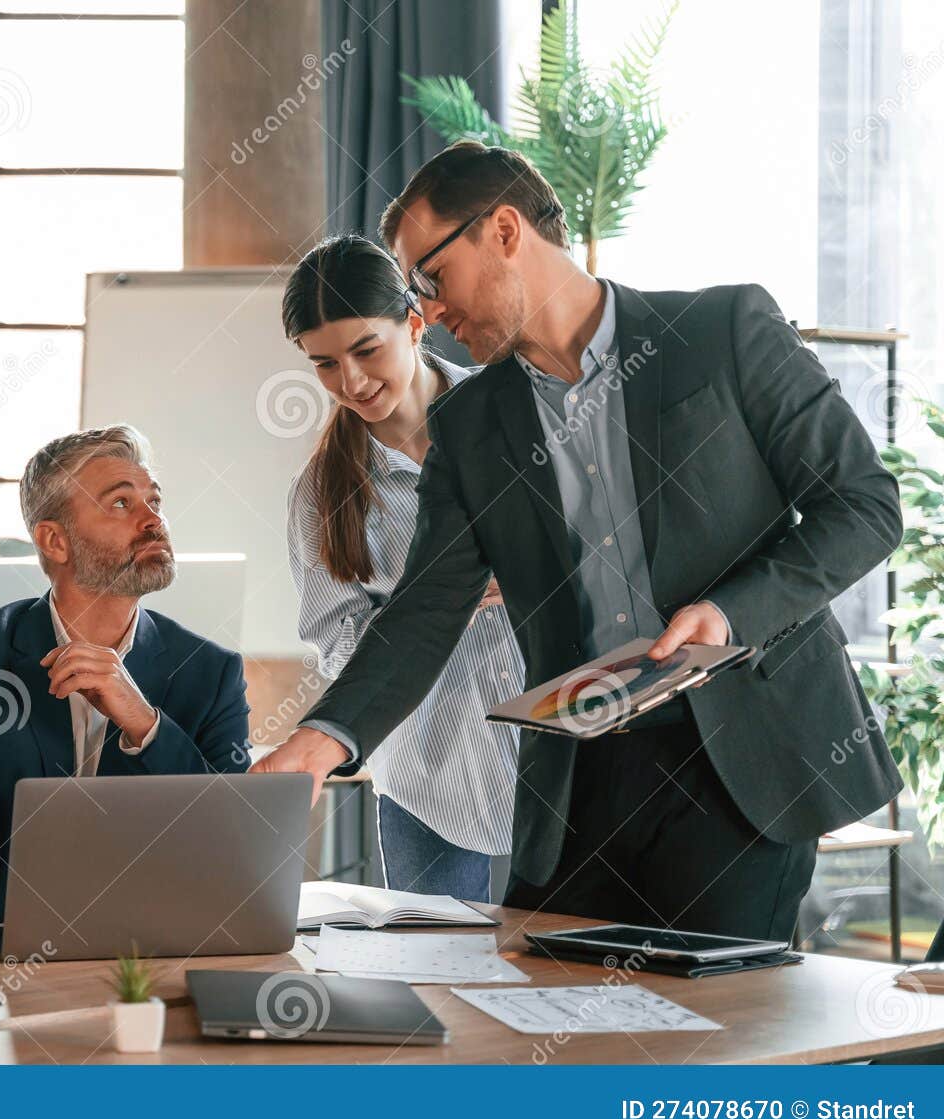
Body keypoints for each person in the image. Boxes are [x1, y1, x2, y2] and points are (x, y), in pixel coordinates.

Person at [254, 141, 902, 942]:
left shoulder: (722, 330)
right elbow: (423, 611)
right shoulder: (471, 425)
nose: (431, 308)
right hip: (578, 779)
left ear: (503, 231)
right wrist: (322, 740)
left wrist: (732, 613)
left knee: (708, 1015)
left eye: (432, 276)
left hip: (737, 763)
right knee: (537, 1007)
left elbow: (864, 505)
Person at [0, 425, 251, 960]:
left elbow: (232, 837)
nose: (153, 520)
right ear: (54, 541)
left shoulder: (212, 672)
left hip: (153, 955)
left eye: (154, 501)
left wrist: (144, 724)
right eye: (121, 503)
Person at [282, 235, 522, 902]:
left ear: (415, 323)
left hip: (557, 763)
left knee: (569, 960)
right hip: (429, 786)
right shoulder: (319, 495)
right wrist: (440, 601)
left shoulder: (514, 415)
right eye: (325, 364)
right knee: (436, 968)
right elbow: (337, 650)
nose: (351, 382)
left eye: (366, 350)